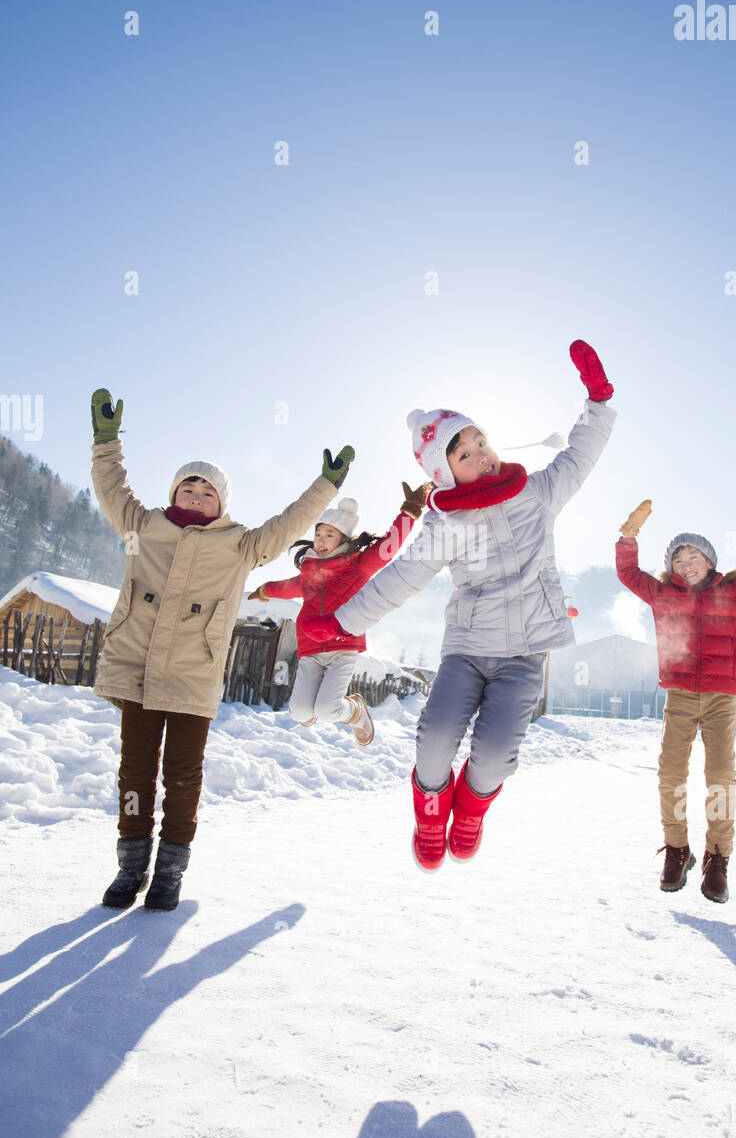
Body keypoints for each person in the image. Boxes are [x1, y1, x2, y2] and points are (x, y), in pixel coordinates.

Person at [299, 339, 617, 870]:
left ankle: (469, 812)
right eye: (463, 453)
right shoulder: (445, 525)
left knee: (494, 756)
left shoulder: (537, 493)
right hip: (468, 650)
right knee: (435, 739)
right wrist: (342, 621)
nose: (480, 453)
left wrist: (599, 401)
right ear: (443, 475)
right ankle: (429, 811)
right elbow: (399, 578)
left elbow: (580, 455)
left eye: (480, 441)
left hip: (525, 657)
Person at [89, 386, 353, 910]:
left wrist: (326, 485)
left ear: (222, 504)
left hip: (193, 674)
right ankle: (130, 868)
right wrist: (106, 441)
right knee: (135, 772)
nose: (197, 495)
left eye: (208, 492)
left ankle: (168, 874)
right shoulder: (142, 526)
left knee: (184, 776)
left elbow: (289, 523)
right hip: (139, 668)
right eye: (189, 487)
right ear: (173, 494)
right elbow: (111, 488)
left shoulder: (240, 545)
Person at [615, 500, 736, 902]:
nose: (686, 563)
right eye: (678, 559)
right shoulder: (662, 593)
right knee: (671, 773)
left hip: (719, 698)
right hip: (679, 694)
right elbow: (628, 573)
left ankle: (718, 857)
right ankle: (677, 849)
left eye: (693, 555)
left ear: (709, 561)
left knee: (720, 777)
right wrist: (628, 537)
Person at [247, 482, 429, 745]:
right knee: (299, 712)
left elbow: (388, 547)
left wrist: (409, 512)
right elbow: (288, 587)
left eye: (329, 534)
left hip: (344, 647)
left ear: (344, 538)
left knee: (327, 711)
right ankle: (313, 711)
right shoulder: (308, 575)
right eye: (318, 534)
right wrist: (265, 589)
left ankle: (355, 711)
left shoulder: (358, 566)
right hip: (311, 649)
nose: (320, 540)